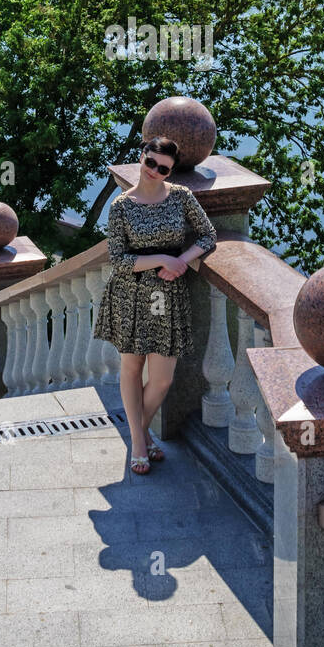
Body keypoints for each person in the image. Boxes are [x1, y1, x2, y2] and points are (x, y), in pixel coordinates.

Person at [93, 137, 217, 474]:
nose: (154, 172)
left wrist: (182, 260)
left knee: (162, 378)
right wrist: (163, 257)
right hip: (129, 294)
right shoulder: (121, 205)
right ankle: (139, 442)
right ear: (142, 157)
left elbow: (208, 236)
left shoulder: (181, 197)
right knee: (132, 369)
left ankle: (139, 433)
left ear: (170, 171)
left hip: (166, 297)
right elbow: (117, 259)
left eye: (163, 169)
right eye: (151, 163)